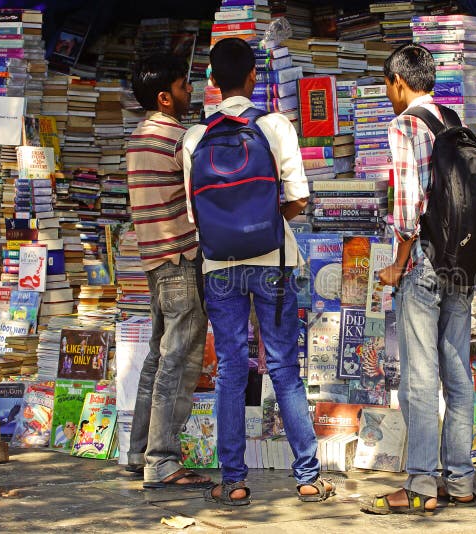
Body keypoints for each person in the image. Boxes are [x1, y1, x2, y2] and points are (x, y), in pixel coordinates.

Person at [182, 37, 334, 507]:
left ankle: (234, 481)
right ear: (254, 76)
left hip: (219, 268)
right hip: (274, 262)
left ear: (211, 82)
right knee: (285, 368)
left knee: (230, 369)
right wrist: (265, 221)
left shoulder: (193, 139)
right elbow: (300, 198)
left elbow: (195, 218)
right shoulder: (274, 126)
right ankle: (308, 477)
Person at [363, 43, 476, 516]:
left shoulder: (405, 124)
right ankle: (462, 480)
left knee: (419, 377)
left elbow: (408, 205)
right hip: (465, 262)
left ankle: (421, 485)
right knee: (457, 373)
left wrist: (398, 262)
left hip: (426, 262)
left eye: (388, 86)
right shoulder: (456, 122)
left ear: (398, 82)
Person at [125, 54, 210, 490]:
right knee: (179, 359)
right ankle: (161, 460)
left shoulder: (138, 137)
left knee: (158, 357)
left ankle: (139, 450)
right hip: (180, 259)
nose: (189, 92)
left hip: (155, 261)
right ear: (164, 97)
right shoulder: (179, 138)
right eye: (182, 86)